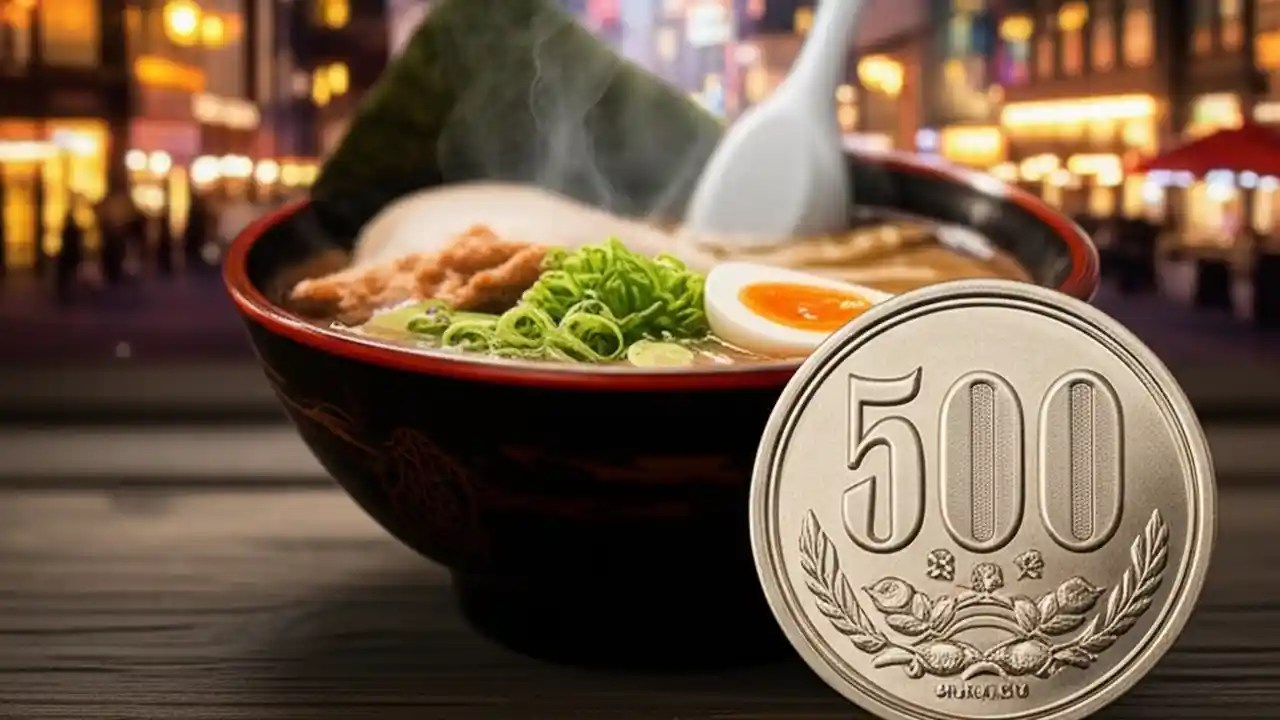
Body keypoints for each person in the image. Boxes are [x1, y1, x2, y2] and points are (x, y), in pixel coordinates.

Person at [55, 203, 84, 304]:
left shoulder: (67, 230)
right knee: (71, 275)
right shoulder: (75, 230)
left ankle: (67, 293)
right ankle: (69, 292)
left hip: (68, 255)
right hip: (72, 255)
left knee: (66, 275)